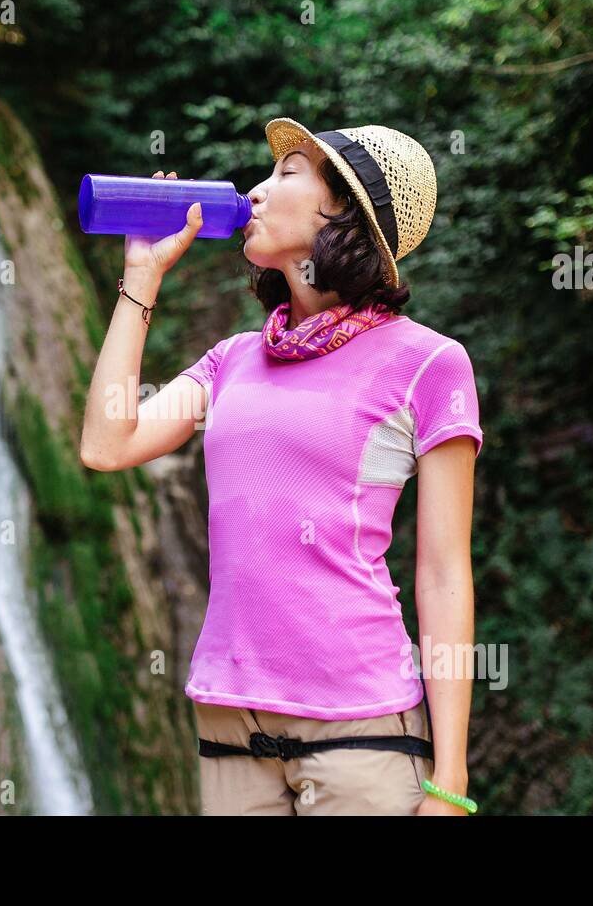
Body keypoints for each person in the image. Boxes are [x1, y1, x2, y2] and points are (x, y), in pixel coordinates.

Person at [79, 118, 481, 816]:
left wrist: (450, 780)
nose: (257, 192)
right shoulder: (232, 359)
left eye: (287, 174)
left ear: (344, 213)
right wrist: (140, 279)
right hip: (229, 722)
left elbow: (444, 573)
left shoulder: (430, 363)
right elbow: (106, 444)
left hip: (361, 727)